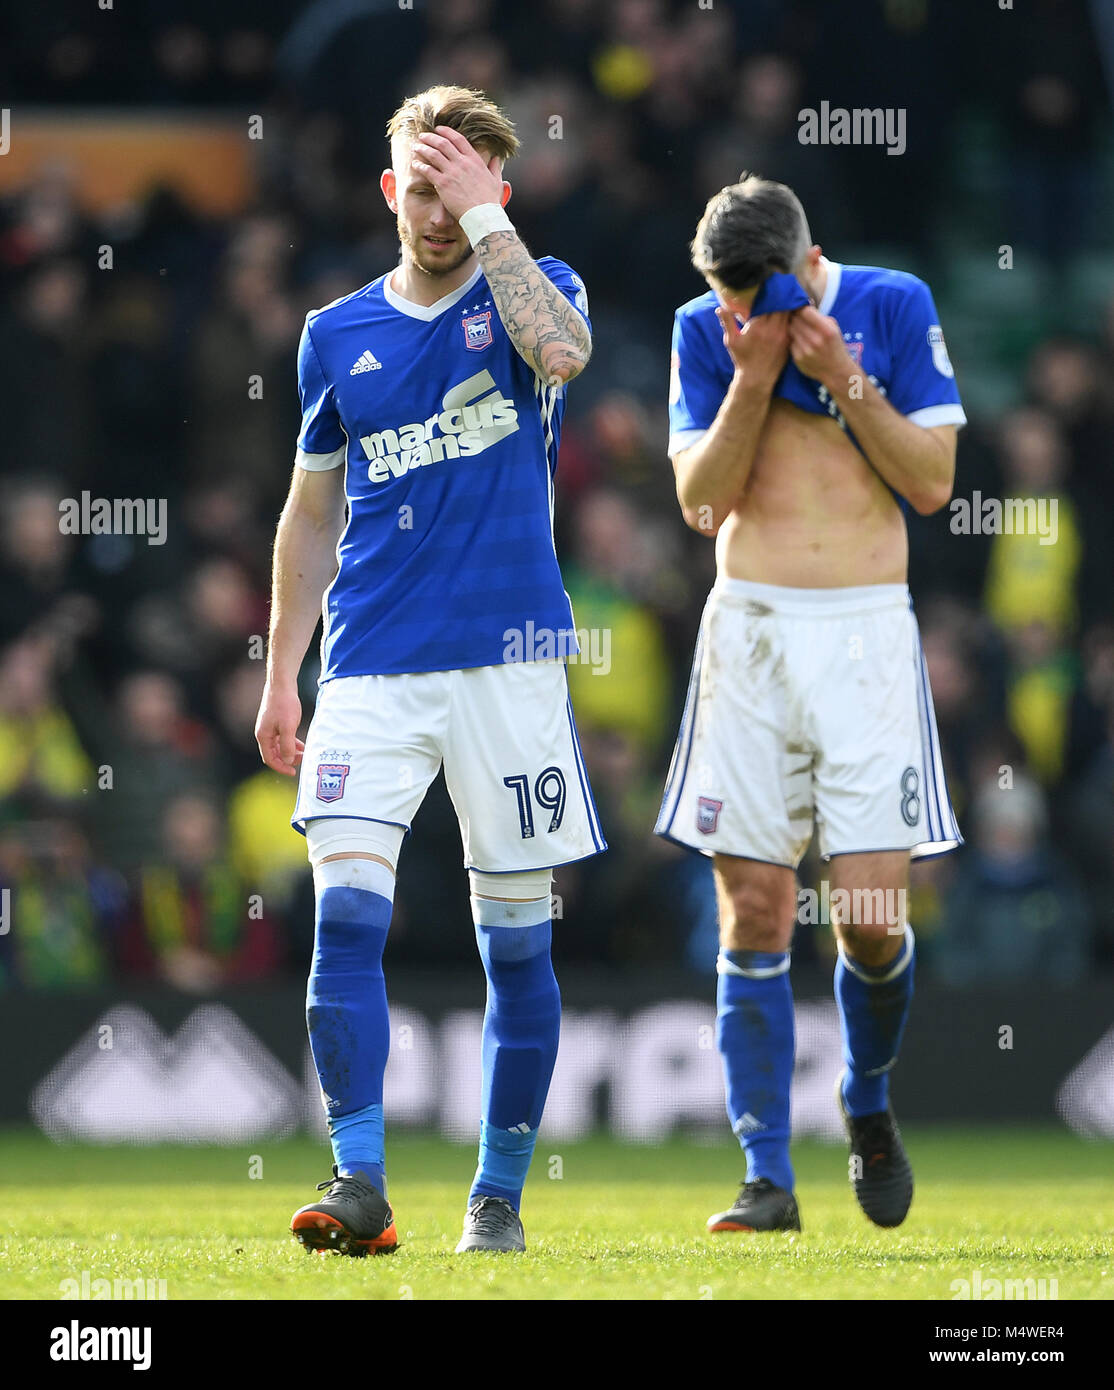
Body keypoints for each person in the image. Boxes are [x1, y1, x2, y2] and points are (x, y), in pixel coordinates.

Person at [254, 86, 604, 1256]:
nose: (435, 205)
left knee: (517, 943)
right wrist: (280, 672)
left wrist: (490, 220)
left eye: (458, 183)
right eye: (418, 180)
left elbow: (562, 351)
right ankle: (358, 1182)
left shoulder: (534, 288)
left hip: (510, 666)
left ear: (495, 190)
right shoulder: (334, 331)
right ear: (384, 186)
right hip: (372, 667)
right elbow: (309, 515)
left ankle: (496, 1194)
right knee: (344, 921)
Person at [656, 175, 966, 1233]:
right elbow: (700, 502)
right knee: (753, 906)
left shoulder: (891, 303)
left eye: (755, 294)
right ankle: (763, 1175)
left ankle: (867, 1103)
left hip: (866, 634)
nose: (739, 313)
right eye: (727, 297)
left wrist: (847, 381)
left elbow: (931, 485)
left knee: (870, 921)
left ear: (806, 258)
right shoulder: (705, 330)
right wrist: (749, 380)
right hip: (748, 631)